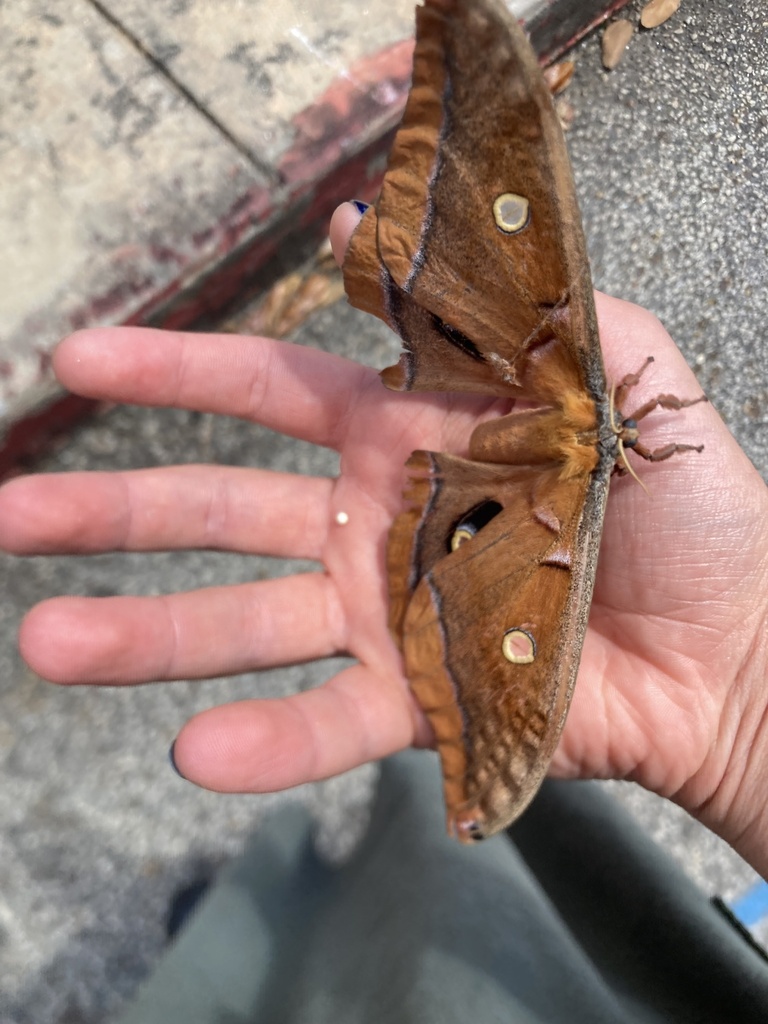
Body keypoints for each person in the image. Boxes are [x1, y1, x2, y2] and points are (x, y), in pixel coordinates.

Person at [1, 203, 767, 1021]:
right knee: (464, 915)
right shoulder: (604, 444)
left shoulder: (600, 451)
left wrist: (740, 701)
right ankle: (285, 933)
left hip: (537, 493)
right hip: (533, 493)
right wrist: (739, 689)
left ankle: (279, 934)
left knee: (446, 920)